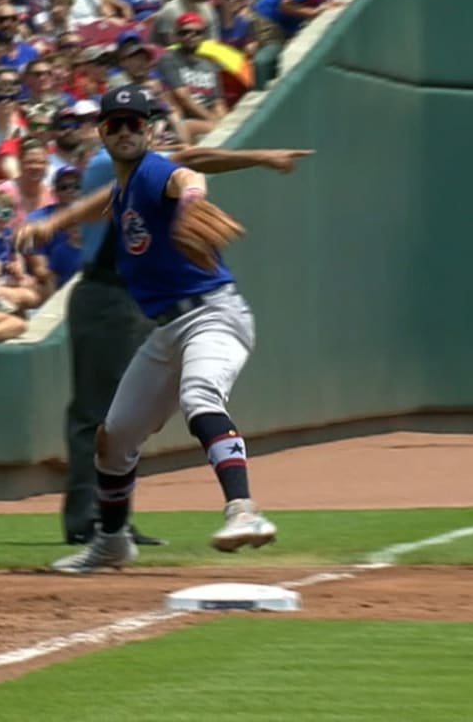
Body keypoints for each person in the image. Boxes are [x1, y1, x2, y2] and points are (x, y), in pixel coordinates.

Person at [18, 85, 308, 571]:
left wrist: (193, 199)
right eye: (117, 123)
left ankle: (244, 511)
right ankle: (112, 542)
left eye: (137, 122)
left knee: (200, 398)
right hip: (168, 329)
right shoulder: (125, 185)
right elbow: (103, 202)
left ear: (148, 130)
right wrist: (53, 224)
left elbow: (188, 171)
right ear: (103, 133)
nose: (128, 130)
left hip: (214, 314)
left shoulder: (154, 171)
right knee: (114, 438)